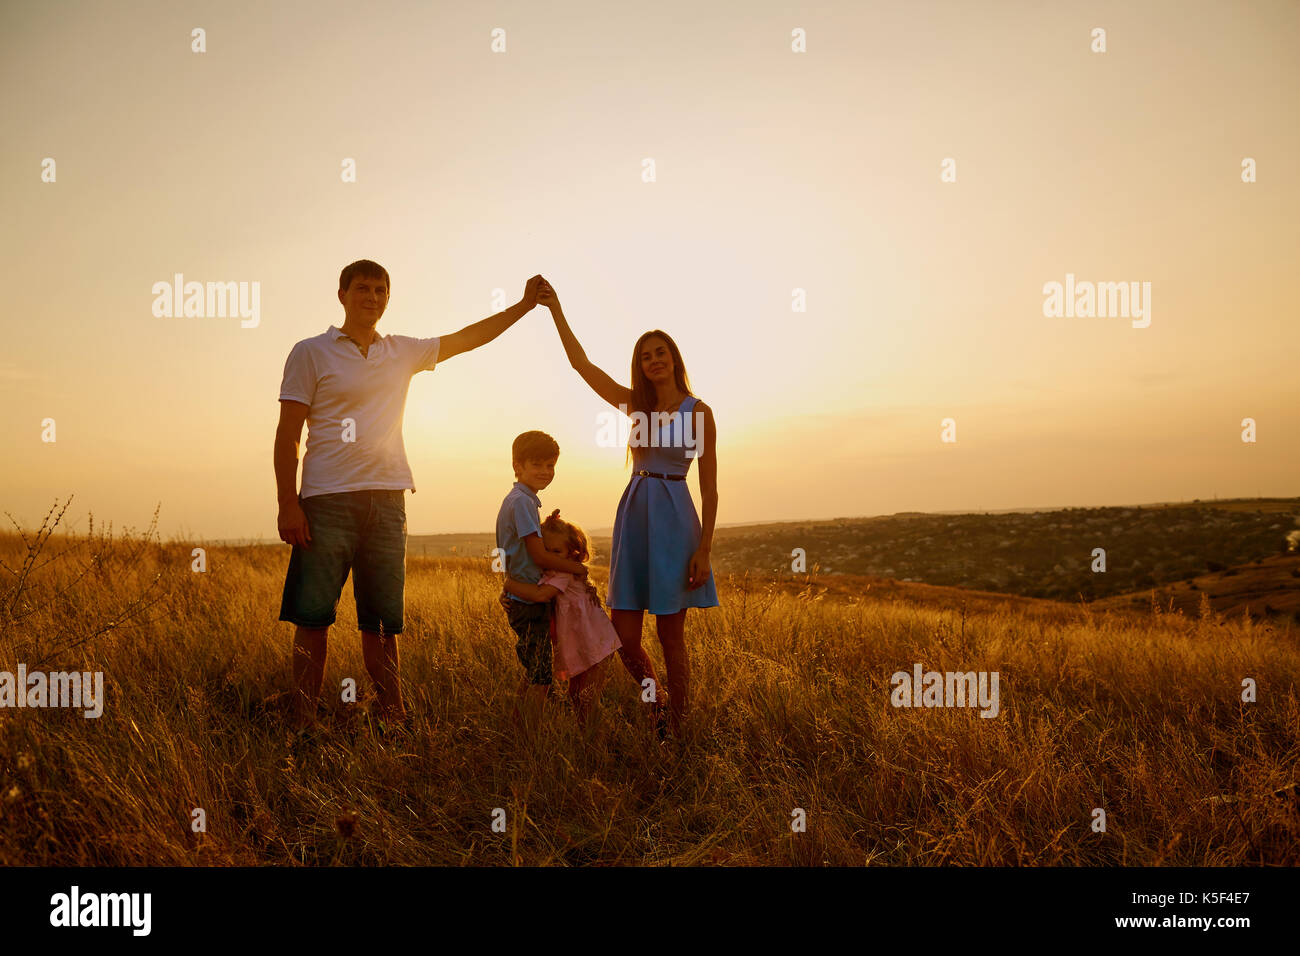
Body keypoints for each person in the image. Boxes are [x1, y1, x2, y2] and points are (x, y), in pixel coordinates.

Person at [275, 260, 545, 731]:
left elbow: (468, 338)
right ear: (342, 294)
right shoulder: (310, 352)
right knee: (313, 618)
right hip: (325, 500)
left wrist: (523, 305)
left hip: (387, 499)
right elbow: (287, 435)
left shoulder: (401, 351)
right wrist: (287, 502)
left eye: (381, 290)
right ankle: (302, 722)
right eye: (363, 288)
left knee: (382, 622)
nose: (373, 297)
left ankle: (392, 718)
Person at [538, 278, 719, 735]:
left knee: (671, 634)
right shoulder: (635, 406)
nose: (654, 360)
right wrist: (556, 308)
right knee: (626, 636)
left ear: (675, 358)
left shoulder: (698, 412)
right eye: (645, 355)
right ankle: (655, 704)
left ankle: (676, 726)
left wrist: (705, 550)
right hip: (634, 511)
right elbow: (582, 366)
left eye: (661, 352)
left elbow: (711, 489)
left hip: (676, 516)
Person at [494, 432, 589, 730]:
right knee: (540, 677)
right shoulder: (521, 502)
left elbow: (505, 552)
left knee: (534, 670)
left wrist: (507, 582)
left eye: (550, 465)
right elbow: (537, 555)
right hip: (528, 600)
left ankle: (518, 726)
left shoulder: (521, 500)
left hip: (523, 595)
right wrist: (576, 569)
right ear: (517, 466)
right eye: (537, 464)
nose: (546, 472)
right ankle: (528, 737)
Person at [503, 509, 622, 725]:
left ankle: (596, 740)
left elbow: (541, 595)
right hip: (581, 644)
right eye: (544, 551)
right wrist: (507, 596)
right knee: (576, 696)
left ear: (572, 552)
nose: (549, 556)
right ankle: (586, 736)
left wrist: (509, 585)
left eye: (556, 551)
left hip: (597, 644)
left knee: (587, 699)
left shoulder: (564, 573)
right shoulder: (549, 572)